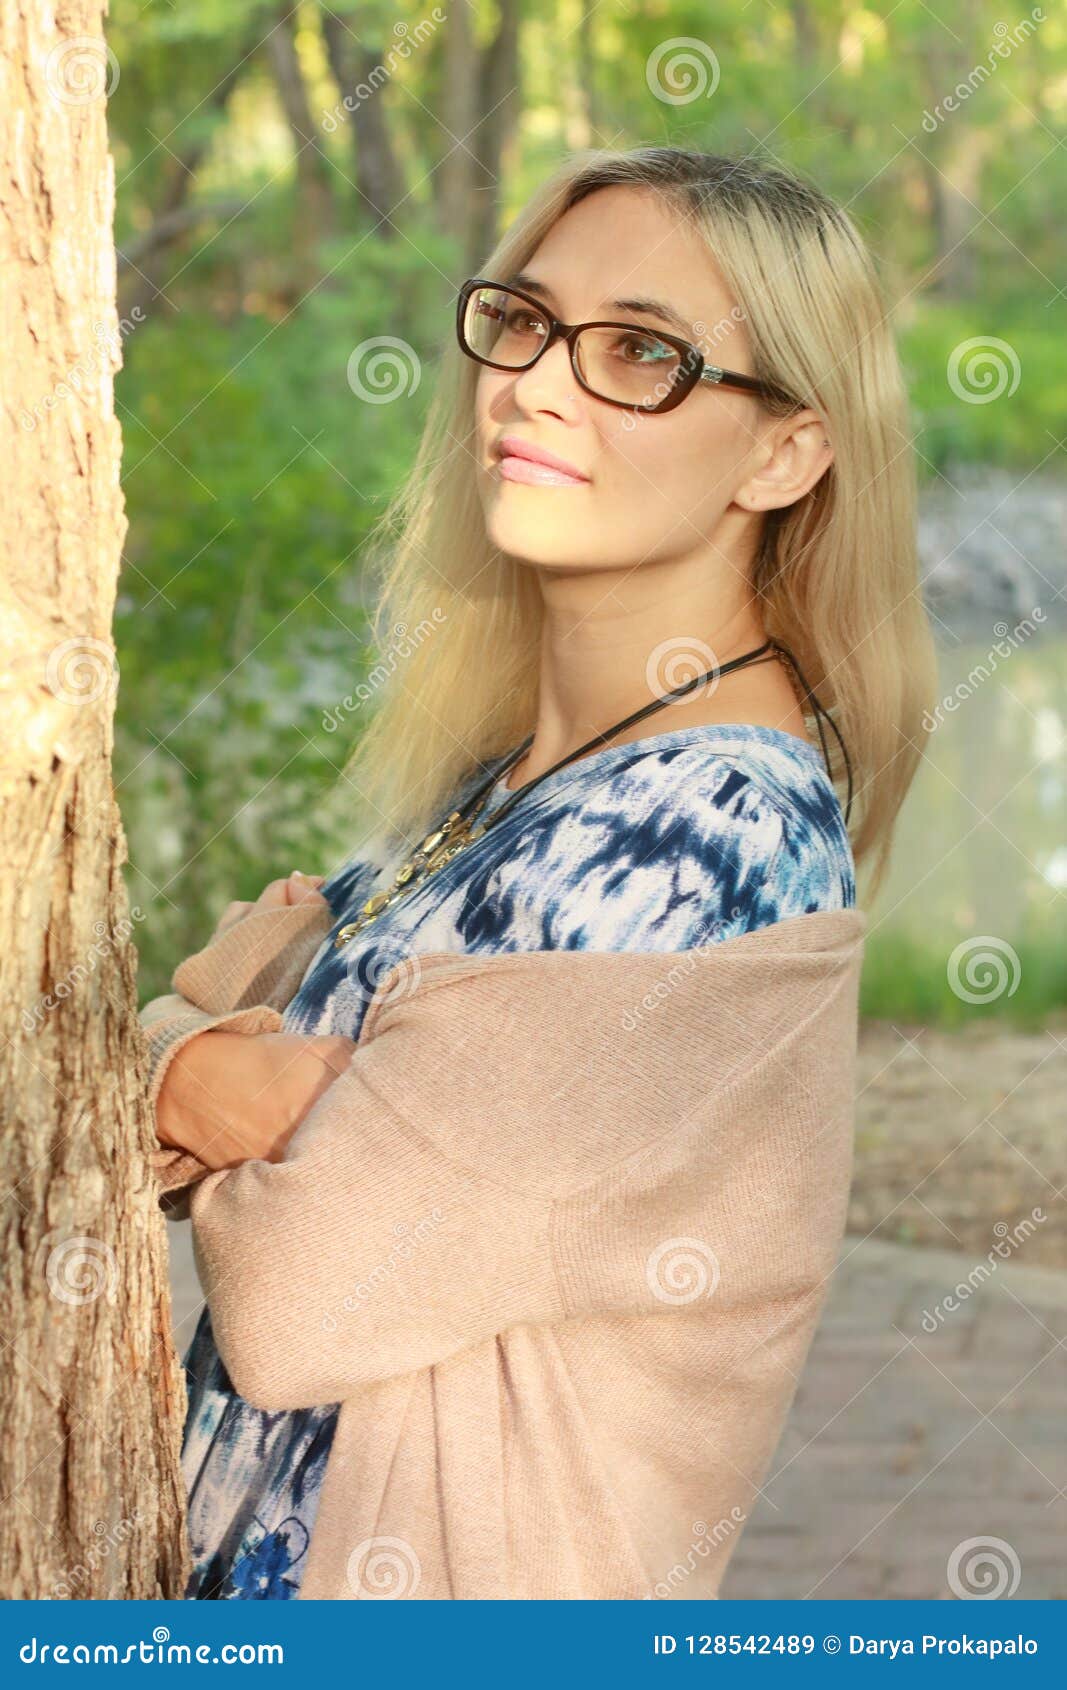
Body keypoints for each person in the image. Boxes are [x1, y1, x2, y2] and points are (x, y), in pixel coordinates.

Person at [150, 145, 936, 1599]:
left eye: (640, 350)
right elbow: (172, 1051)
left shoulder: (707, 830)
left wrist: (216, 1078)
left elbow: (305, 1286)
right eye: (524, 320)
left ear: (783, 451)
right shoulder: (495, 788)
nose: (539, 383)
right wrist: (216, 1078)